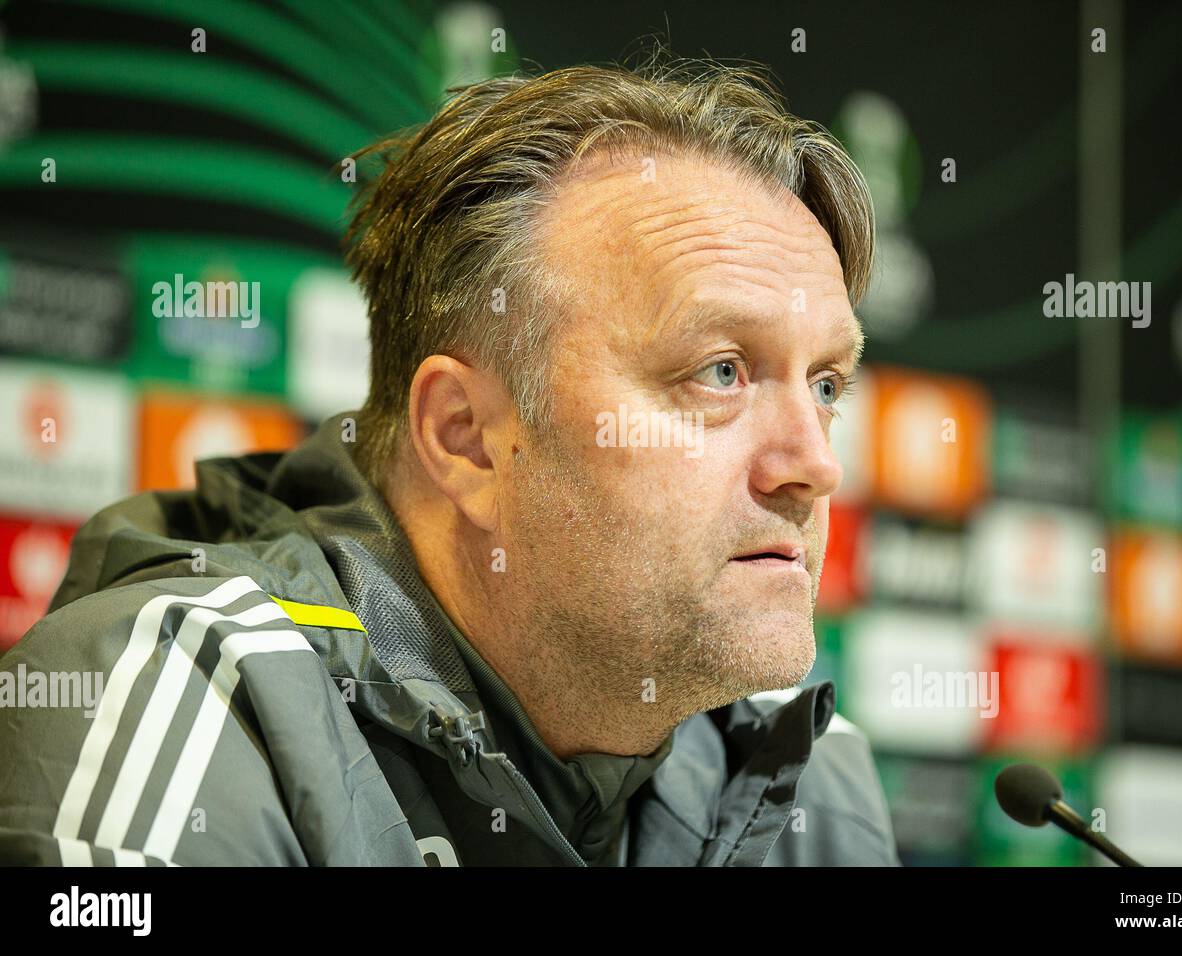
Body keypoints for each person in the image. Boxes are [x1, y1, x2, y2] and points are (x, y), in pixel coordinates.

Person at [0, 58, 898, 866]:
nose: (813, 465)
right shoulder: (190, 709)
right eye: (720, 372)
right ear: (466, 437)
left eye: (825, 384)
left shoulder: (809, 775)